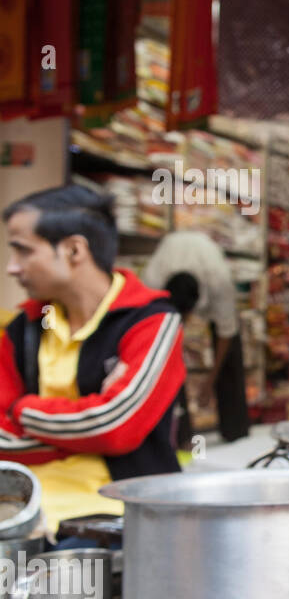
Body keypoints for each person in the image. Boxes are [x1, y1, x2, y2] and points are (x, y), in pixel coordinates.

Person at [0, 185, 185, 535]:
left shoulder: (152, 322)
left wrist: (23, 411)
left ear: (73, 250)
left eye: (23, 252)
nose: (12, 268)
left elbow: (116, 427)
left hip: (121, 519)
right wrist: (84, 423)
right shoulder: (23, 327)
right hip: (25, 510)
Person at [142, 230, 250, 443]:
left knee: (231, 355)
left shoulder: (219, 281)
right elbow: (150, 331)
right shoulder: (152, 280)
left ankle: (236, 429)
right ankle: (179, 436)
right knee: (160, 356)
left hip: (208, 269)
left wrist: (210, 380)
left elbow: (225, 333)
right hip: (169, 274)